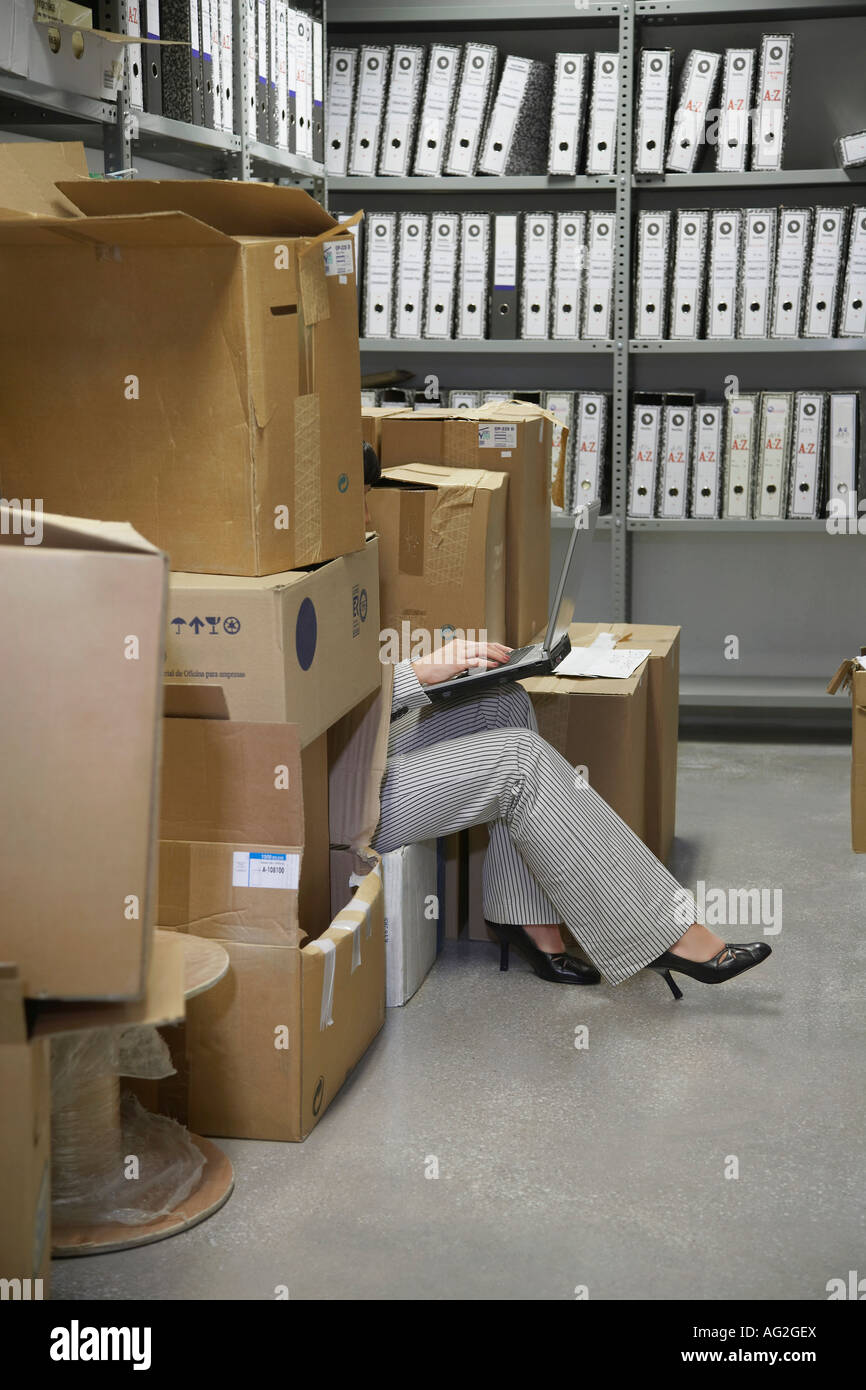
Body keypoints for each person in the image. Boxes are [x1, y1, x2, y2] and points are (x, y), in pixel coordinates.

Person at [362, 441, 771, 997]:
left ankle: (525, 915)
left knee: (502, 702)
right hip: (343, 800)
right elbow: (310, 715)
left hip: (363, 751)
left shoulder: (329, 565)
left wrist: (420, 672)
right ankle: (669, 933)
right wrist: (415, 677)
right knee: (518, 761)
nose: (363, 508)